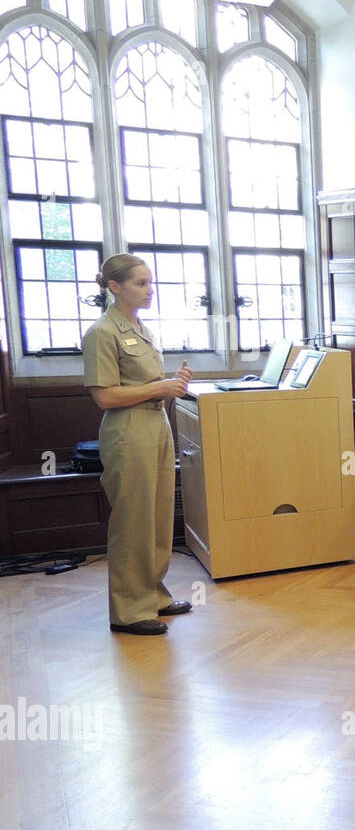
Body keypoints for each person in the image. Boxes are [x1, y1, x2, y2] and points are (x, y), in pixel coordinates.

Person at [82, 254, 193, 635]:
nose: (149, 290)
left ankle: (154, 596)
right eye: (140, 283)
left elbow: (144, 382)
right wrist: (160, 387)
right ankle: (129, 611)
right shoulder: (102, 332)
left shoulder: (139, 327)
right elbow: (105, 397)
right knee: (133, 521)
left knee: (159, 516)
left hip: (156, 423)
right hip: (128, 431)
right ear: (115, 287)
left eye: (150, 282)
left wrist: (171, 384)